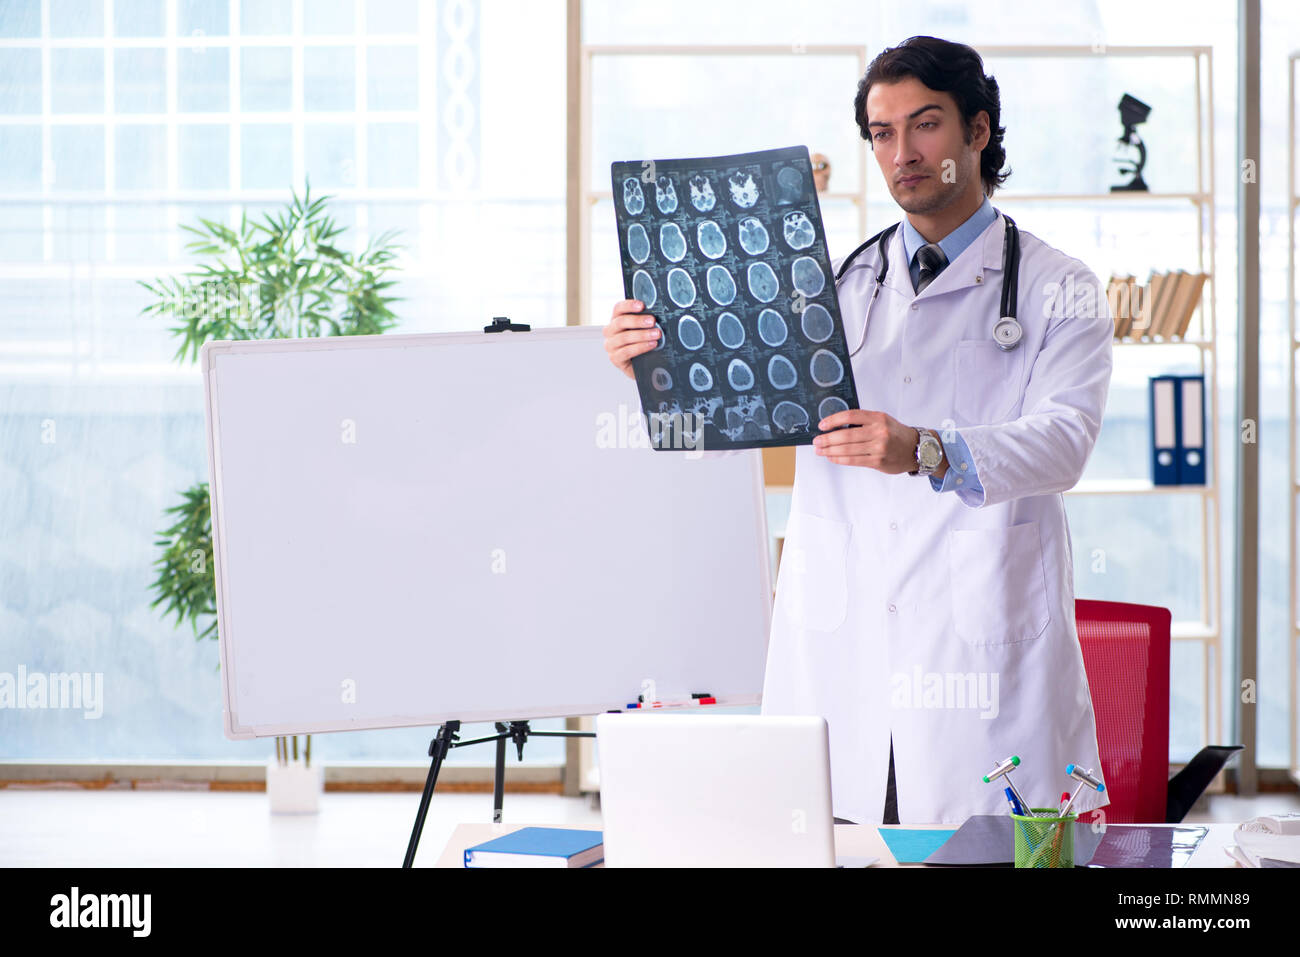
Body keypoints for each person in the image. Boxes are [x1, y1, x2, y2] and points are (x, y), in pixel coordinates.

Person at [602, 35, 1113, 825]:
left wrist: (928, 449)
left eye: (925, 125)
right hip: (844, 654)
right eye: (881, 133)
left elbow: (1064, 440)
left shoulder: (1057, 288)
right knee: (835, 841)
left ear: (978, 131)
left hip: (977, 660)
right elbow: (731, 406)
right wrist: (653, 362)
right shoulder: (833, 288)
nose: (902, 152)